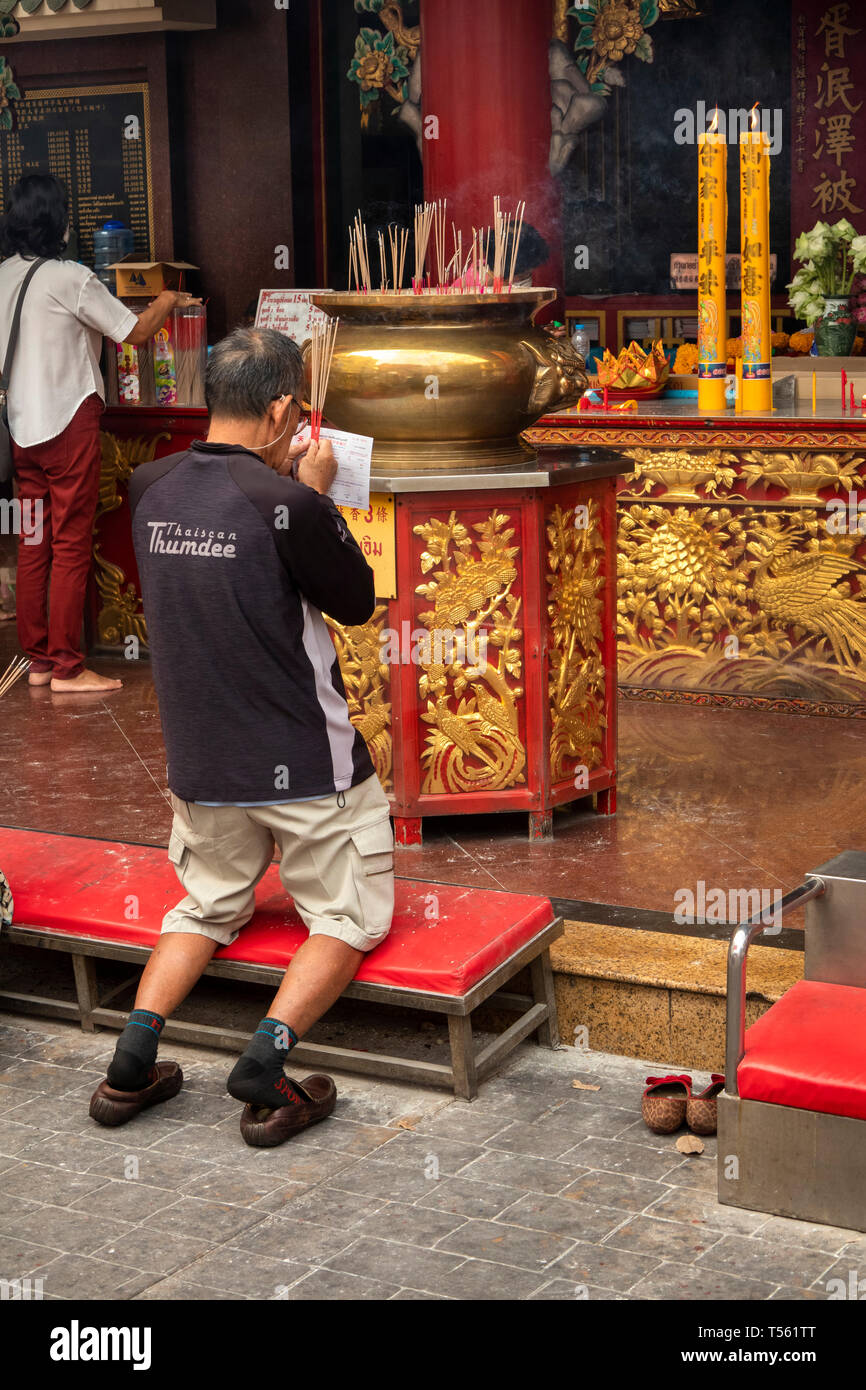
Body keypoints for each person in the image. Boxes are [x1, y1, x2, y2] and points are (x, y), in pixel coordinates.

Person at [89, 326, 395, 1148]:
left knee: (208, 903)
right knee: (346, 917)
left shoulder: (149, 485)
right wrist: (317, 494)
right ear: (284, 410)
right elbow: (357, 600)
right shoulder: (288, 503)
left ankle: (132, 1055)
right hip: (306, 766)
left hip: (201, 766)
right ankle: (266, 1062)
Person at [0, 174, 199, 693]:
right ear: (56, 221)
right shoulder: (70, 277)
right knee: (69, 544)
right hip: (68, 426)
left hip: (22, 431)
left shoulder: (2, 277)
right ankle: (68, 667)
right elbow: (133, 331)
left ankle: (40, 661)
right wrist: (167, 300)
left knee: (34, 542)